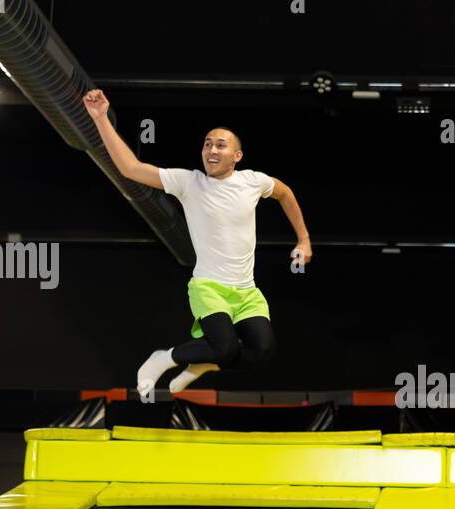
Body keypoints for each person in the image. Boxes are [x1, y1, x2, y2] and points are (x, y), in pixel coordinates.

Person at [82, 89, 312, 395]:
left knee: (262, 351)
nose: (211, 150)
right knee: (225, 347)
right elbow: (131, 169)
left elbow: (286, 194)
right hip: (209, 287)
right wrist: (100, 119)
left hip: (246, 291)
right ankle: (164, 358)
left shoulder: (253, 181)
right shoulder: (189, 182)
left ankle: (204, 363)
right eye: (207, 144)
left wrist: (304, 240)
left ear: (237, 156)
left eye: (220, 145)